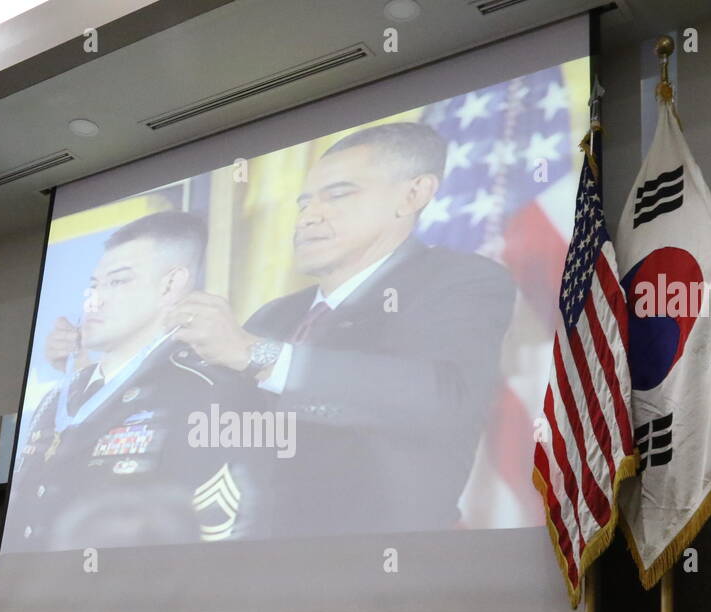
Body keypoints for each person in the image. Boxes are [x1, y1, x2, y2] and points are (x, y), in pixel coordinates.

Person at [168, 121, 517, 537]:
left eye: (337, 195)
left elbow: (440, 396)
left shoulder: (460, 280)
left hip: (383, 571)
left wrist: (256, 355)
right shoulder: (275, 316)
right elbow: (211, 429)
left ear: (413, 194)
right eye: (303, 203)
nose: (308, 217)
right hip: (248, 565)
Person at [3, 211, 265, 552]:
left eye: (118, 281)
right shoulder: (63, 395)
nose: (94, 300)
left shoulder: (206, 389)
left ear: (170, 285)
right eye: (94, 285)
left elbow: (220, 532)